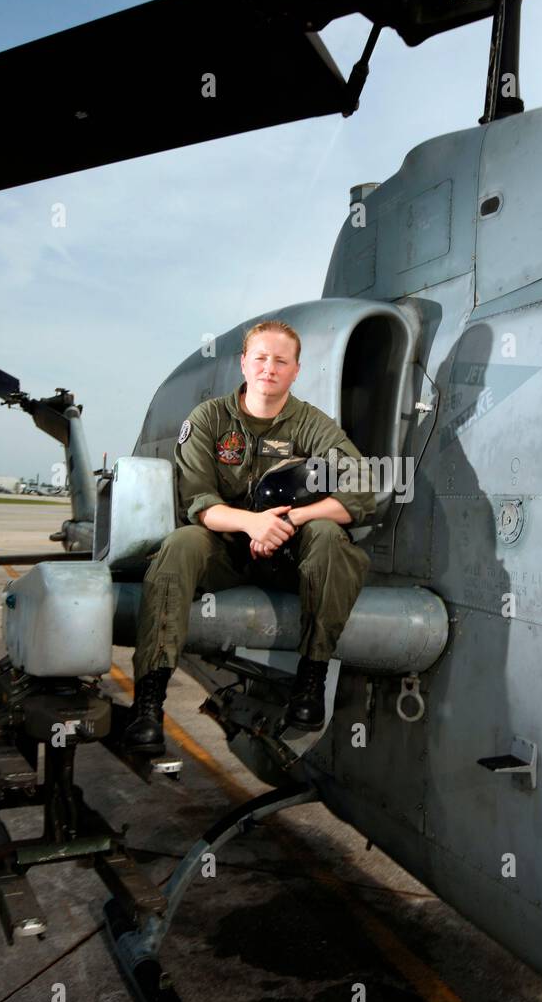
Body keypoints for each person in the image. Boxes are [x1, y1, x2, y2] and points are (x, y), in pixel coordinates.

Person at [122, 320, 376, 756]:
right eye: (260, 358)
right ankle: (149, 701)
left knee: (329, 535)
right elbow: (199, 503)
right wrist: (251, 523)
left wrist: (293, 520)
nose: (269, 368)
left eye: (281, 361)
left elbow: (362, 490)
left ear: (296, 370)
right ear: (244, 363)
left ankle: (310, 681)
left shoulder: (311, 424)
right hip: (226, 549)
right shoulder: (209, 419)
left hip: (288, 557)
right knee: (180, 543)